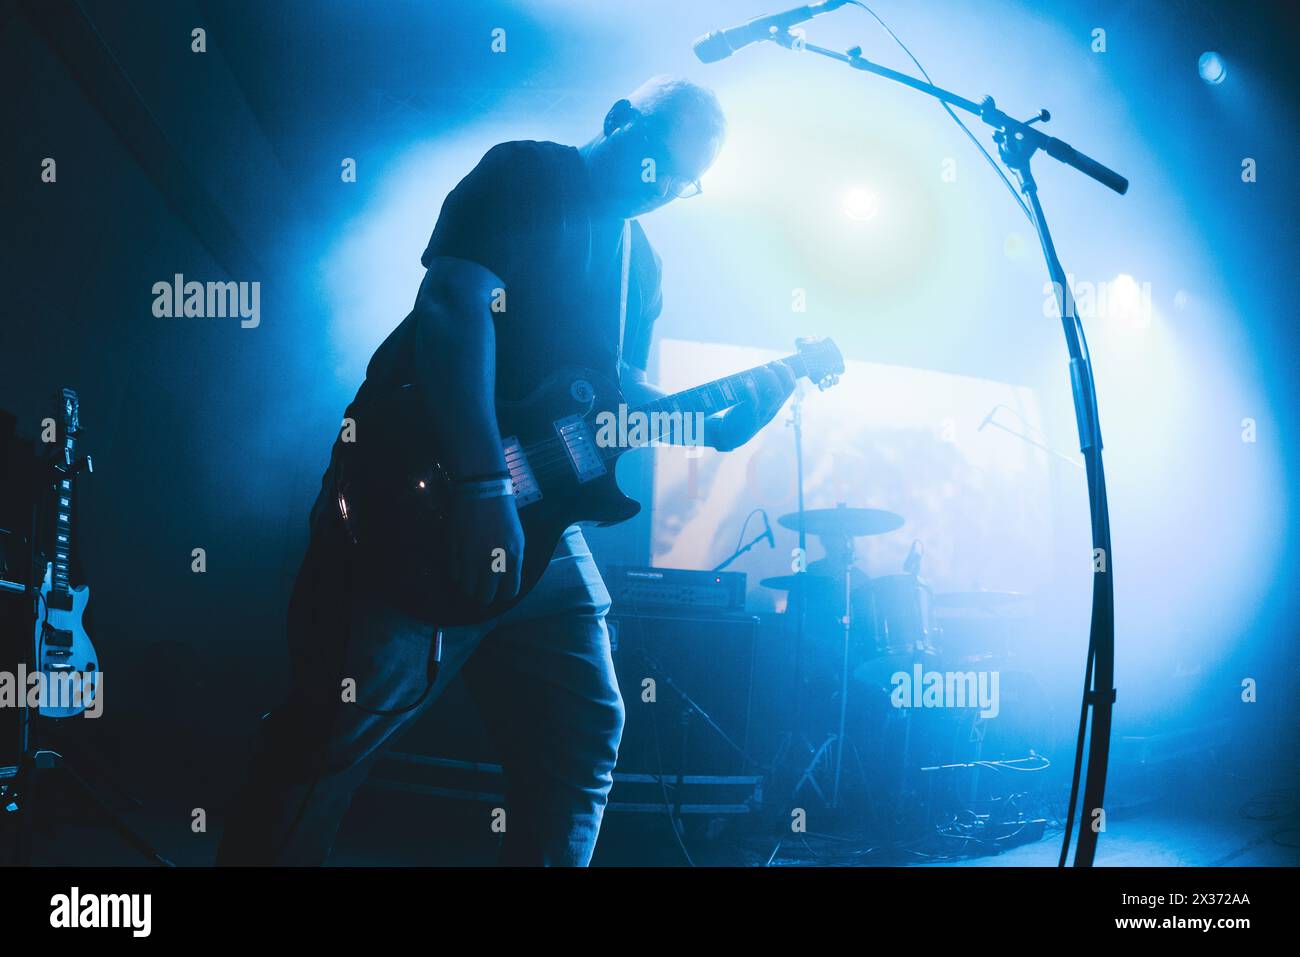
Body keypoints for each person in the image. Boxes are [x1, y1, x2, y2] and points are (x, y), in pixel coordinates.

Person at [217, 75, 794, 866]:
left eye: (686, 181)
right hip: (421, 491)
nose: (664, 186)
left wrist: (716, 422)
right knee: (338, 729)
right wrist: (484, 485)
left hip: (539, 524)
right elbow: (454, 304)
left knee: (583, 728)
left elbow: (617, 396)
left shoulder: (643, 264)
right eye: (660, 156)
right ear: (621, 116)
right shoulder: (528, 173)